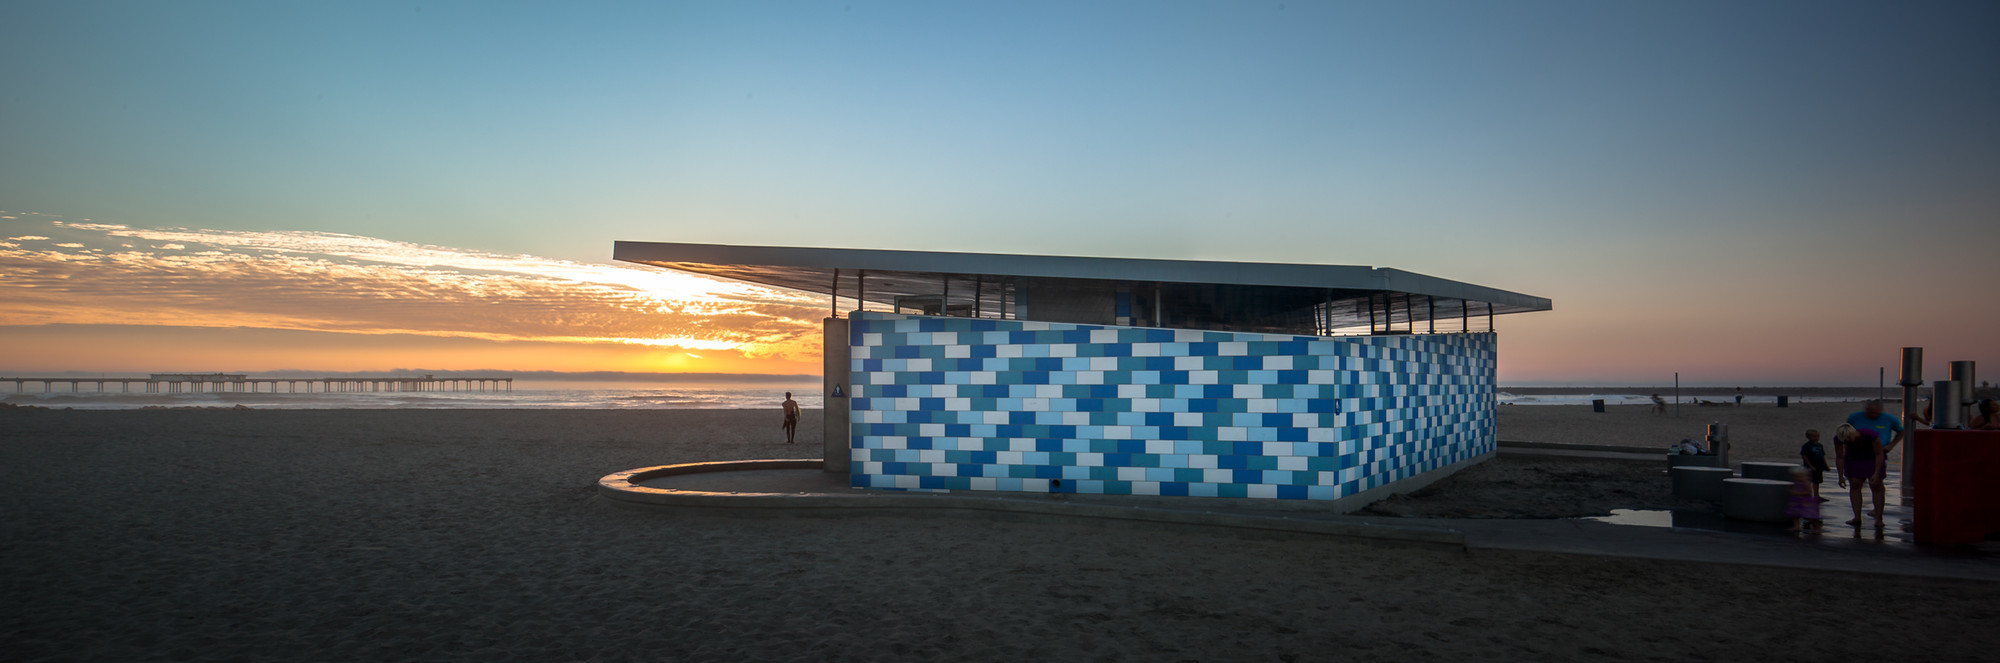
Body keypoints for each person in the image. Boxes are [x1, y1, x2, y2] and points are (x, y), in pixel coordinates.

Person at [1834, 423, 1887, 527]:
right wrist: (1840, 476)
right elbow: (1839, 457)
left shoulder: (1869, 435)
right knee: (1855, 485)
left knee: (1877, 486)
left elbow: (1879, 454)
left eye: (1850, 437)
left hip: (1872, 459)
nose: (1848, 440)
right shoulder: (1838, 439)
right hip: (1853, 460)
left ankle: (1879, 518)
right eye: (1845, 439)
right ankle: (1857, 517)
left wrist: (1876, 473)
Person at [1786, 466, 1823, 533]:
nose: (1797, 478)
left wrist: (1797, 493)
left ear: (1805, 476)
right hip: (1797, 501)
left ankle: (1816, 526)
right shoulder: (1796, 482)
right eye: (1795, 477)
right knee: (1795, 514)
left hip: (1805, 501)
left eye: (1799, 476)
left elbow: (1809, 492)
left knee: (1809, 516)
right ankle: (1796, 526)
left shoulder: (1806, 483)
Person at [1799, 429, 1829, 502]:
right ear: (1808, 437)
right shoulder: (1806, 446)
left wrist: (1826, 465)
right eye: (1814, 436)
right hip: (1810, 467)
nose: (1816, 438)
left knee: (1817, 481)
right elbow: (1804, 456)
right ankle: (1807, 494)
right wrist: (1810, 466)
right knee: (1808, 481)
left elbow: (1822, 456)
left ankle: (1816, 495)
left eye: (1817, 436)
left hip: (1819, 467)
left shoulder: (1820, 446)